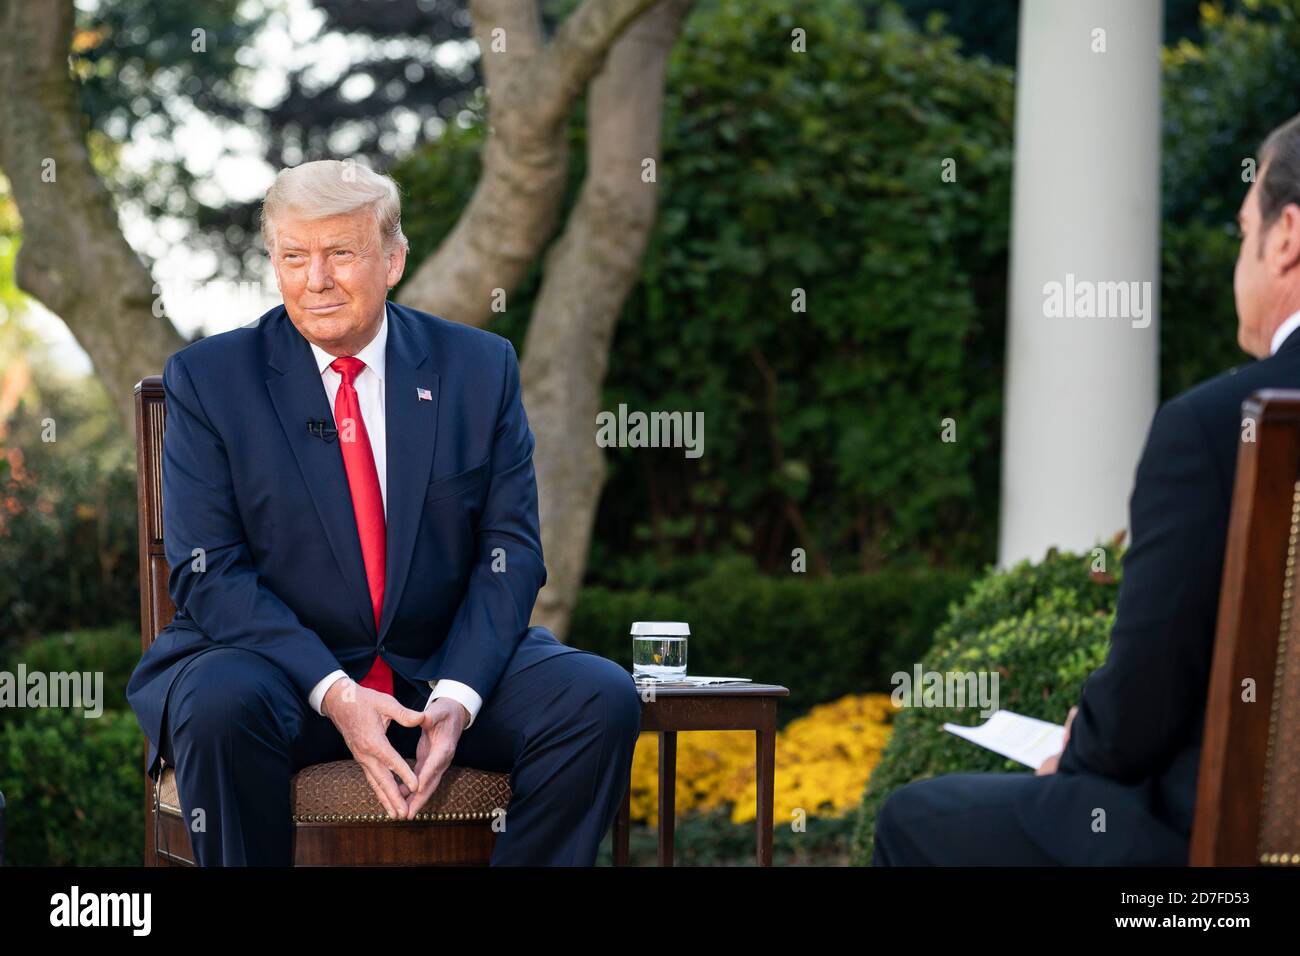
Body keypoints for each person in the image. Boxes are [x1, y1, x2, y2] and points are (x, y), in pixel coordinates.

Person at [126, 159, 641, 866]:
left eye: (341, 252)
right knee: (216, 704)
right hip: (276, 672)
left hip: (437, 666)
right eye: (294, 256)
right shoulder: (211, 380)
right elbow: (209, 573)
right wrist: (336, 693)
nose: (317, 279)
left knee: (598, 698)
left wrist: (459, 695)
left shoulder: (477, 369)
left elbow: (511, 551)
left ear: (393, 260)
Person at [874, 111, 1300, 865]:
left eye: (1243, 231)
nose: (1241, 257)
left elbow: (1143, 698)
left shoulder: (1213, 429)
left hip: (1200, 860)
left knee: (915, 818)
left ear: (1287, 237)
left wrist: (1077, 754)